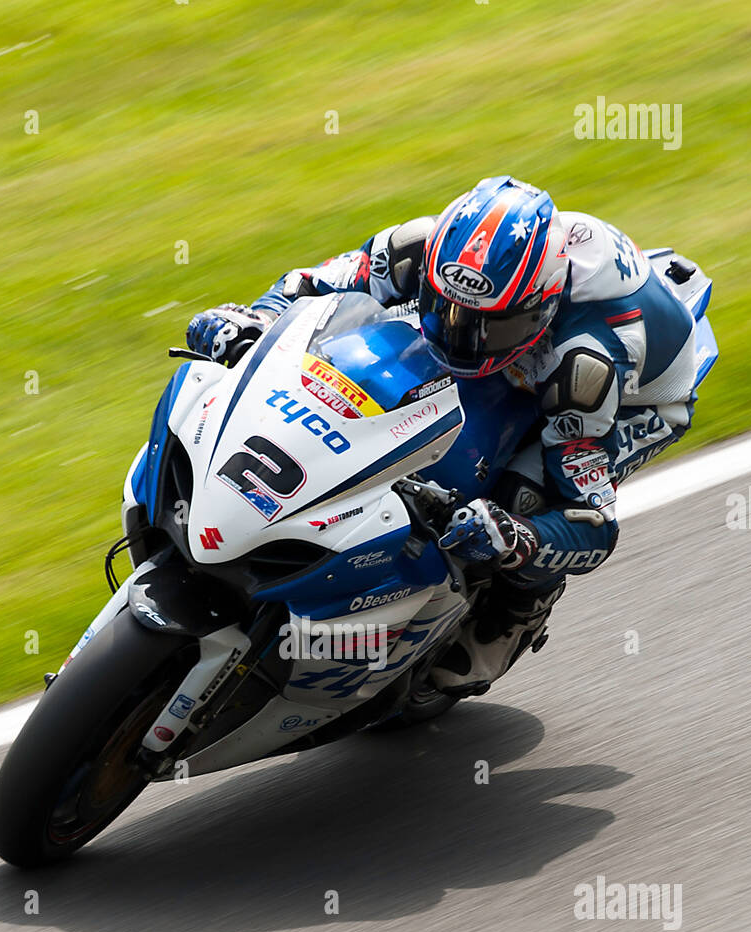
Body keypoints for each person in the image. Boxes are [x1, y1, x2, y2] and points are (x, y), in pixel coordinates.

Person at [186, 175, 712, 693]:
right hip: (535, 341)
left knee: (522, 494)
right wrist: (252, 319)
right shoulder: (420, 247)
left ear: (543, 308)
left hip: (639, 399)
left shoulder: (585, 368)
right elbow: (308, 286)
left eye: (490, 328)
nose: (462, 339)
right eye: (447, 311)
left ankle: (517, 612)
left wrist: (519, 537)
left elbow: (594, 525)